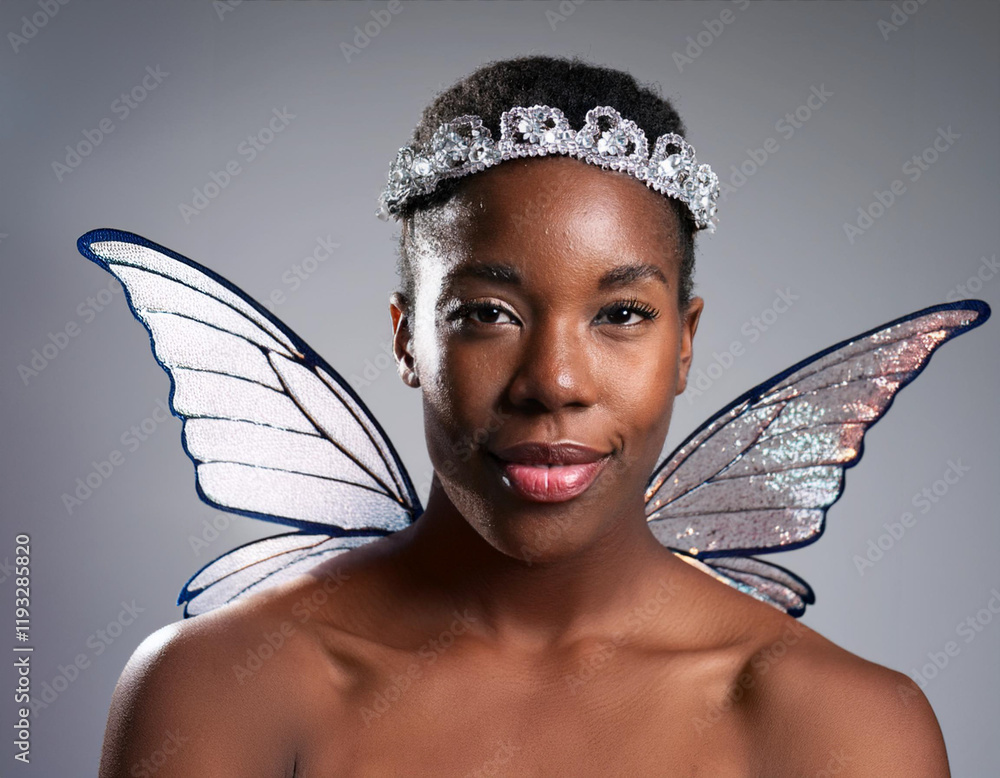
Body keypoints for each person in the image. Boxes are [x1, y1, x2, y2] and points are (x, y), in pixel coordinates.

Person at [98, 55, 950, 777]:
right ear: (406, 341)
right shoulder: (219, 690)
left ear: (685, 344)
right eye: (486, 314)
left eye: (621, 314)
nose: (553, 381)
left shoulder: (845, 729)